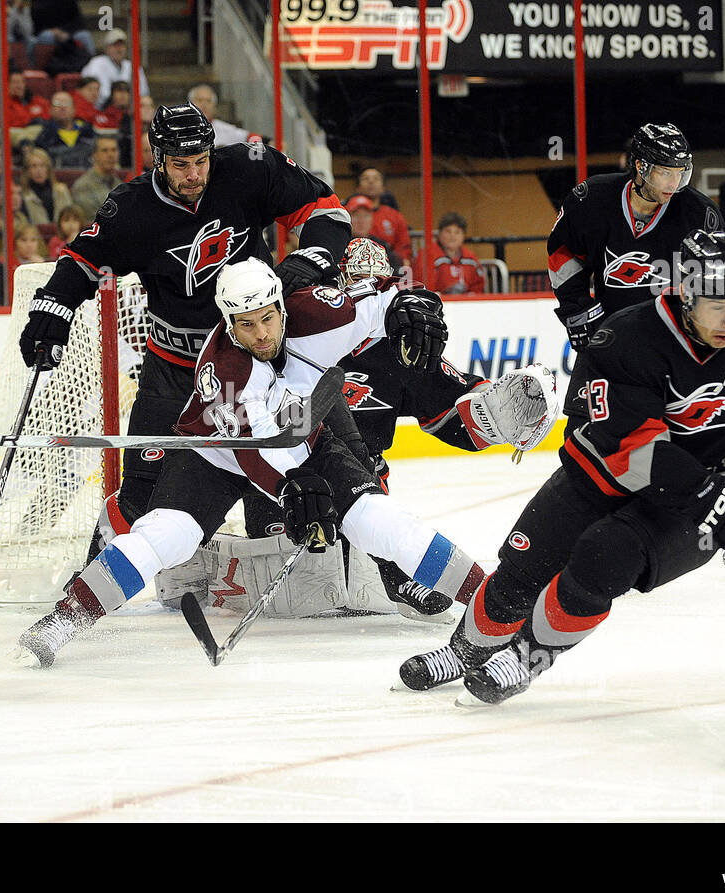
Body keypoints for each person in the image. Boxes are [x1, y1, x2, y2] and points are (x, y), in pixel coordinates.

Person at [400, 228, 725, 700]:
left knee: (604, 556)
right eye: (717, 307)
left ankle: (526, 656)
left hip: (685, 500)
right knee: (522, 568)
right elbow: (637, 454)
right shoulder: (627, 338)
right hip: (606, 473)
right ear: (685, 294)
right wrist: (720, 504)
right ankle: (464, 650)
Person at [15, 257, 494, 666]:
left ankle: (491, 603)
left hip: (305, 435)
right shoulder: (225, 374)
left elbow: (380, 297)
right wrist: (295, 489)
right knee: (167, 535)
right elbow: (256, 452)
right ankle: (63, 621)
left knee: (379, 521)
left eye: (268, 318)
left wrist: (413, 305)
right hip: (215, 454)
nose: (261, 334)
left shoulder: (315, 314)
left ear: (282, 306)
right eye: (246, 324)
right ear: (228, 322)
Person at [18, 102, 350, 572]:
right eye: (180, 164)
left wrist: (314, 257)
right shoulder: (131, 208)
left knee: (280, 476)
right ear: (158, 158)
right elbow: (83, 261)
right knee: (142, 490)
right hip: (174, 375)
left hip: (255, 367)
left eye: (201, 161)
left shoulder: (248, 169)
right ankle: (91, 581)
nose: (194, 174)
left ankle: (318, 574)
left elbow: (324, 207)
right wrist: (53, 308)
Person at [222, 237, 556, 621]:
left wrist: (495, 409)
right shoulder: (297, 332)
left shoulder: (400, 349)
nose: (369, 294)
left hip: (358, 478)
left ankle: (397, 575)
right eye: (358, 283)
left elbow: (454, 411)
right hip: (286, 475)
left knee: (365, 480)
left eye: (376, 284)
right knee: (289, 586)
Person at [546, 122, 721, 426]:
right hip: (607, 340)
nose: (674, 182)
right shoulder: (593, 200)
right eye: (666, 172)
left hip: (672, 349)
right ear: (641, 166)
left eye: (680, 172)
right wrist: (579, 310)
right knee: (580, 437)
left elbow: (721, 282)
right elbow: (562, 254)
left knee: (668, 446)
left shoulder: (698, 214)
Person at [80, 28, 149, 108]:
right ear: (106, 48)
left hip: (129, 110)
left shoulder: (133, 66)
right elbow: (93, 93)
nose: (119, 49)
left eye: (121, 45)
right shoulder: (96, 64)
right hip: (102, 109)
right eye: (115, 45)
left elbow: (143, 92)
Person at [69, 135, 123, 220]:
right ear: (94, 155)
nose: (110, 155)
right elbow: (94, 219)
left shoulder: (119, 183)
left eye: (114, 150)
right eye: (104, 151)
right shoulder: (83, 186)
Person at [429, 212, 484, 294]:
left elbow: (478, 287)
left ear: (463, 236)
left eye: (457, 232)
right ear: (440, 234)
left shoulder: (471, 259)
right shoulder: (428, 256)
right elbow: (423, 287)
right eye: (448, 231)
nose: (452, 236)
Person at [38, 91, 96, 169]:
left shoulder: (88, 131)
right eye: (57, 104)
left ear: (74, 109)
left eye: (66, 103)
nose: (62, 107)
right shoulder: (43, 135)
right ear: (50, 110)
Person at [187, 84, 254, 147]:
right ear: (189, 105)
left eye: (208, 101)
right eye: (199, 100)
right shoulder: (178, 128)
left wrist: (257, 155)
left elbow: (253, 137)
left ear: (214, 107)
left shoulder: (226, 130)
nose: (204, 105)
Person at [345, 195, 401, 269]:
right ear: (347, 218)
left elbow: (395, 273)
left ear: (372, 219)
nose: (361, 221)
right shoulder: (340, 246)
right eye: (356, 215)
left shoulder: (381, 247)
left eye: (366, 216)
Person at [20, 147, 73, 225]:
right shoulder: (23, 195)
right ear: (27, 171)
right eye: (34, 166)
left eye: (42, 166)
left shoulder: (61, 191)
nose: (39, 170)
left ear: (48, 169)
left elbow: (71, 218)